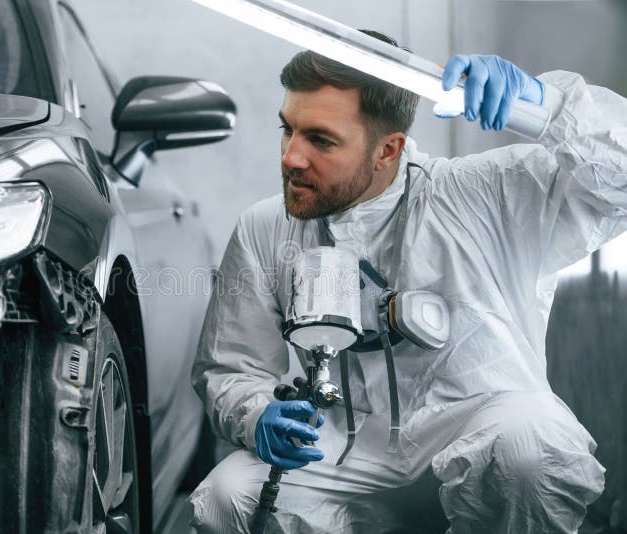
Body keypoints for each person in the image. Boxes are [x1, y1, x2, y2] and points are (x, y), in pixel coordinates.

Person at [189, 28, 627, 533]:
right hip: (344, 455)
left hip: (476, 435)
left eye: (320, 140)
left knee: (529, 447)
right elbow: (229, 366)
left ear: (388, 149)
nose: (291, 157)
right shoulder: (265, 230)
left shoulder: (482, 196)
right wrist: (257, 413)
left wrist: (550, 106)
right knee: (228, 496)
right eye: (287, 129)